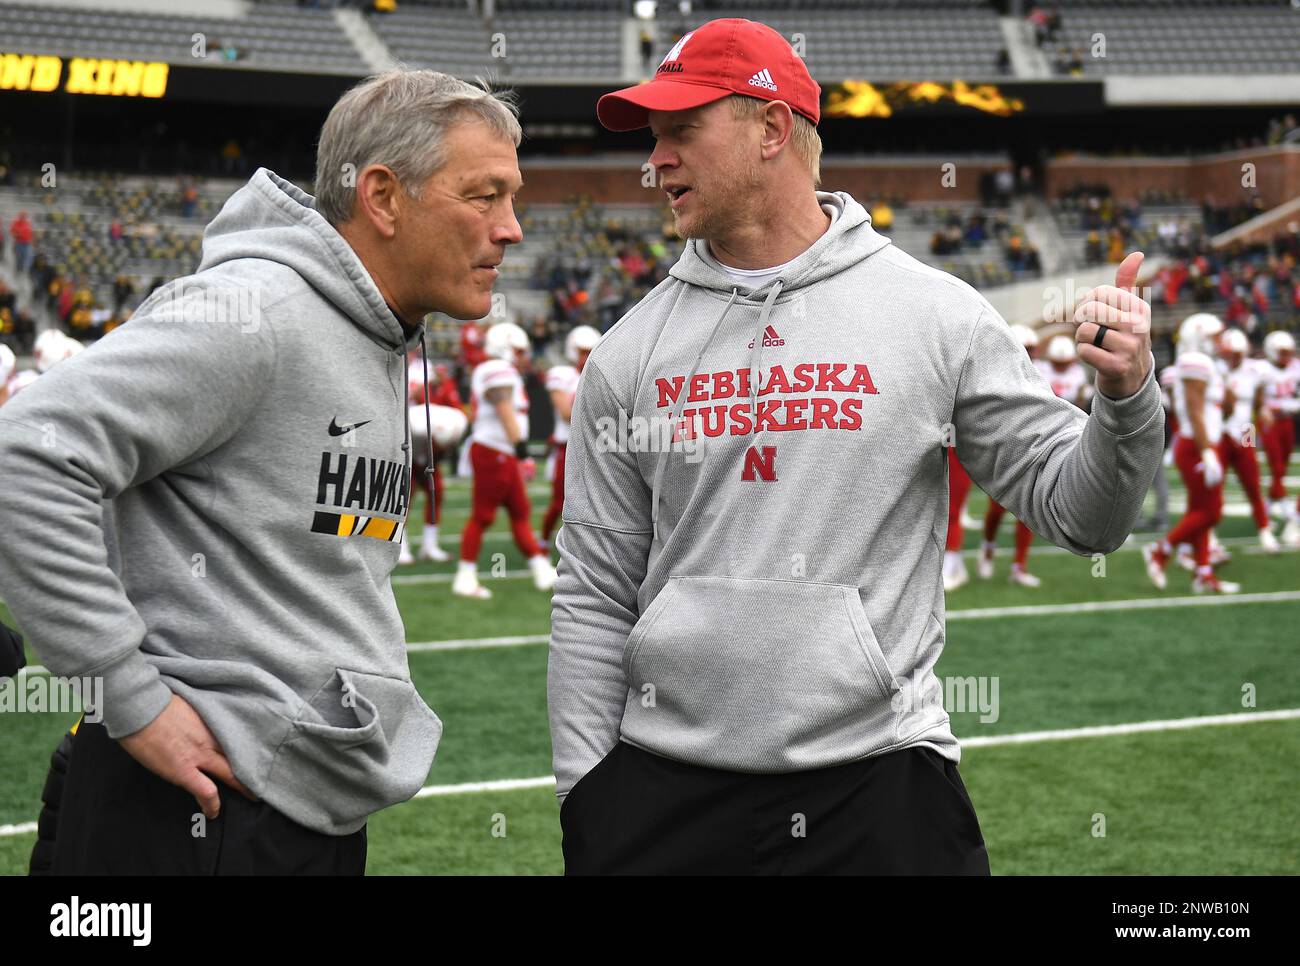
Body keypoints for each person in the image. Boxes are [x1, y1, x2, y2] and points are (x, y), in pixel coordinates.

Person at [549, 17, 1164, 875]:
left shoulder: (935, 314)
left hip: (881, 789)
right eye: (653, 137)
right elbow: (593, 591)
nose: (655, 160)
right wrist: (588, 797)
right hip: (662, 795)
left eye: (680, 130)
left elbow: (1084, 515)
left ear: (770, 129)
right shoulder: (627, 350)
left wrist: (1125, 393)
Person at [0, 68, 524, 874]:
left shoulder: (375, 329)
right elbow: (27, 454)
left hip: (288, 800)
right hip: (193, 810)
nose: (512, 228)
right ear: (383, 197)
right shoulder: (258, 315)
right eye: (484, 195)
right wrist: (130, 699)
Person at [453, 321, 558, 599]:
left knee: (520, 510)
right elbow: (504, 410)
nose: (525, 357)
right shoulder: (495, 369)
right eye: (520, 351)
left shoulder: (498, 370)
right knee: (483, 515)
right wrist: (523, 451)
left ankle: (541, 569)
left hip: (501, 451)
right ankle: (465, 576)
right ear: (506, 347)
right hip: (494, 449)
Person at [1142, 314, 1238, 594]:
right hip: (1197, 445)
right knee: (1211, 512)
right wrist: (1208, 452)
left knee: (1201, 510)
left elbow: (1224, 407)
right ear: (1199, 337)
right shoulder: (1194, 362)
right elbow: (1195, 410)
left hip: (1205, 442)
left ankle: (1203, 573)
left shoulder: (1210, 364)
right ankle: (1161, 550)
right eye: (1215, 336)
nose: (1221, 341)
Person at [977, 324, 1043, 587]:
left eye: (1030, 349)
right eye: (1024, 349)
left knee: (1029, 508)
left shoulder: (1039, 374)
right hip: (1001, 447)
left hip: (1030, 446)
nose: (1028, 354)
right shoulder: (993, 373)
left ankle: (1019, 565)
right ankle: (989, 545)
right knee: (997, 507)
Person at [540, 325, 602, 551]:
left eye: (590, 351)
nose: (586, 357)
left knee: (595, 503)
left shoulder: (600, 375)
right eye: (582, 351)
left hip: (595, 447)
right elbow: (566, 413)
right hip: (567, 448)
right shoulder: (562, 375)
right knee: (560, 503)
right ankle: (543, 541)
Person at [1217, 328, 1278, 552]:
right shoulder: (1216, 370)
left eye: (1236, 353)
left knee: (1252, 482)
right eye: (1229, 353)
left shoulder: (1255, 370)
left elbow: (1259, 399)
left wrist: (1263, 409)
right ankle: (1208, 536)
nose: (1232, 358)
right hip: (1220, 431)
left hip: (1247, 431)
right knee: (1215, 485)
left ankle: (1264, 529)